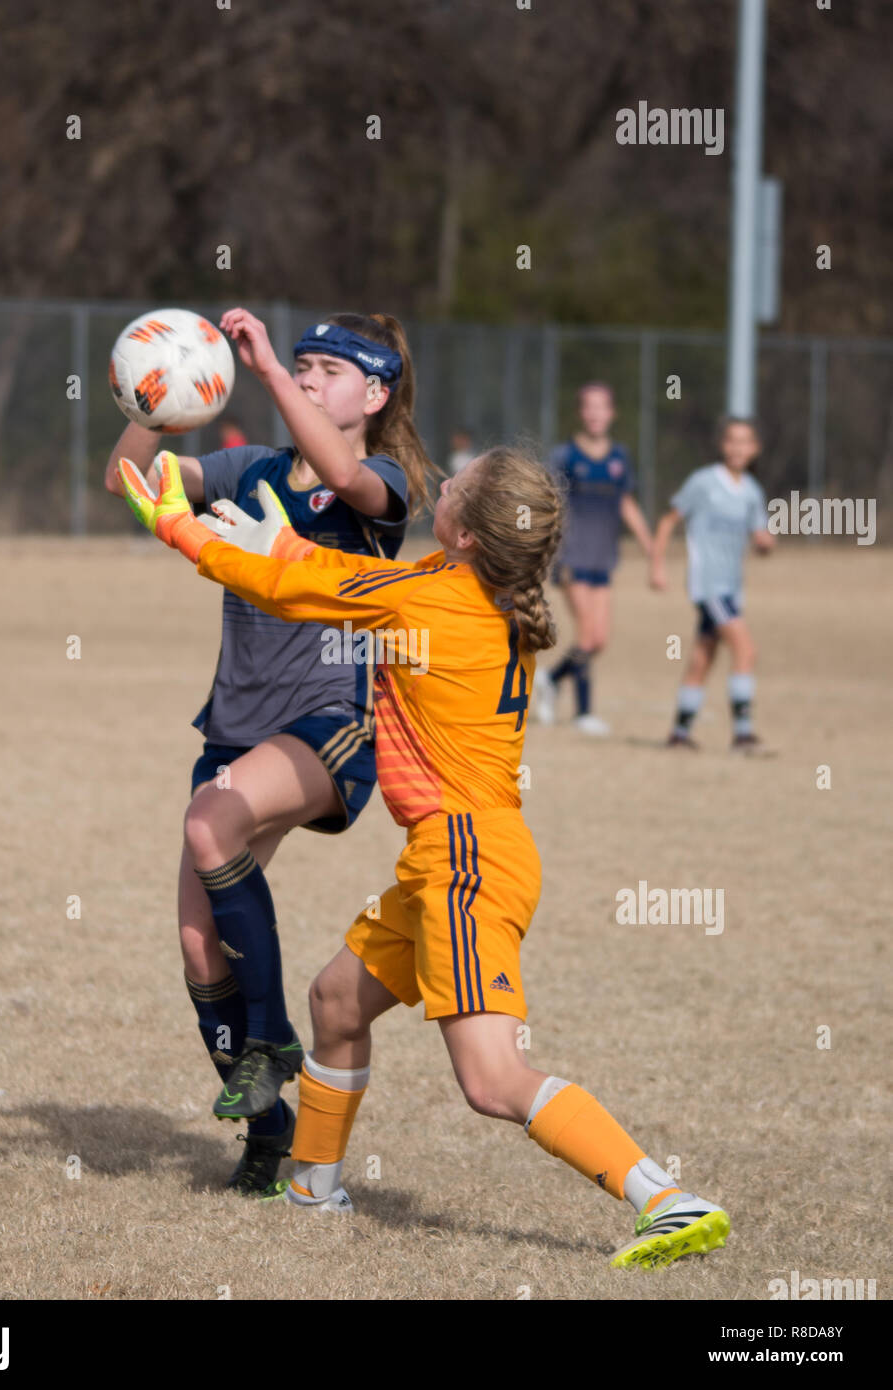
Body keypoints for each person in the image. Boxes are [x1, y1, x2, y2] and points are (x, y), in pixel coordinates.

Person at [117, 442, 732, 1270]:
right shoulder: (463, 590)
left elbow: (297, 590)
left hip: (467, 860)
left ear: (471, 533)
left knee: (489, 1081)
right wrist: (274, 540)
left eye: (458, 486)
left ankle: (664, 1197)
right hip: (447, 857)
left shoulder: (430, 598)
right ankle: (314, 1189)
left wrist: (179, 530)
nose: (440, 484)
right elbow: (321, 575)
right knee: (336, 1003)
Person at [104, 307, 436, 1194]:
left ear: (374, 393)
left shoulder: (381, 480)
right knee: (197, 949)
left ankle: (274, 1037)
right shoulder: (248, 468)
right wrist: (160, 393)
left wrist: (264, 377)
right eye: (302, 366)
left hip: (332, 719)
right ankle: (266, 1127)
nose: (307, 378)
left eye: (327, 371)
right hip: (235, 725)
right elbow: (126, 479)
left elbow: (335, 469)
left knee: (209, 825)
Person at [532, 383, 653, 735]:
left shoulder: (619, 458)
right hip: (571, 557)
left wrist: (650, 548)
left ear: (612, 413)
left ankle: (551, 680)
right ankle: (584, 713)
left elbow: (626, 503)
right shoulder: (564, 457)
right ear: (580, 412)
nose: (595, 414)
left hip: (604, 559)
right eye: (589, 407)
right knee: (587, 634)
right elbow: (547, 501)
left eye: (602, 407)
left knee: (599, 639)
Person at [651, 417, 774, 752]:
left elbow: (759, 536)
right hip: (708, 585)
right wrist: (657, 566)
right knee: (746, 651)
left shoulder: (752, 491)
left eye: (745, 441)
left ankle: (679, 734)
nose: (737, 447)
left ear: (755, 448)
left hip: (732, 587)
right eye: (731, 440)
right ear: (723, 445)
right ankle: (743, 735)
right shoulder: (703, 482)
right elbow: (667, 520)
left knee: (703, 657)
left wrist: (765, 544)